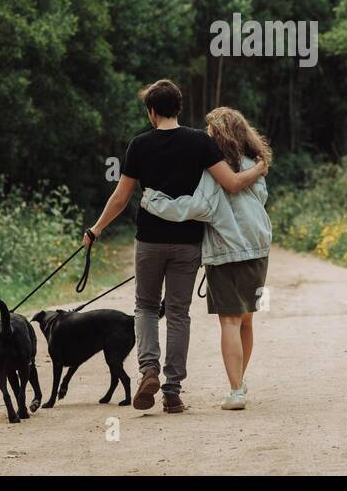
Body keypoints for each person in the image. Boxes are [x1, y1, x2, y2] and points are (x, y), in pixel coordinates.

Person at [82, 80, 266, 414]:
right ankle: (172, 388)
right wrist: (260, 166)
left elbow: (121, 197)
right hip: (187, 244)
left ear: (151, 112)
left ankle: (148, 369)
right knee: (178, 313)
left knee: (146, 307)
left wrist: (95, 230)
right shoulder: (200, 142)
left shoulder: (138, 145)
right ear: (179, 108)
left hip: (149, 241)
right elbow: (232, 183)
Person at [140, 106, 271, 410]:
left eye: (211, 132)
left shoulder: (212, 173)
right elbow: (259, 198)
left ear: (219, 135)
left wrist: (152, 200)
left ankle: (237, 390)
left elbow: (191, 207)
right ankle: (239, 382)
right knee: (247, 319)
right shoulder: (255, 164)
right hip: (258, 248)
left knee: (229, 319)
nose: (207, 136)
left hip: (226, 253)